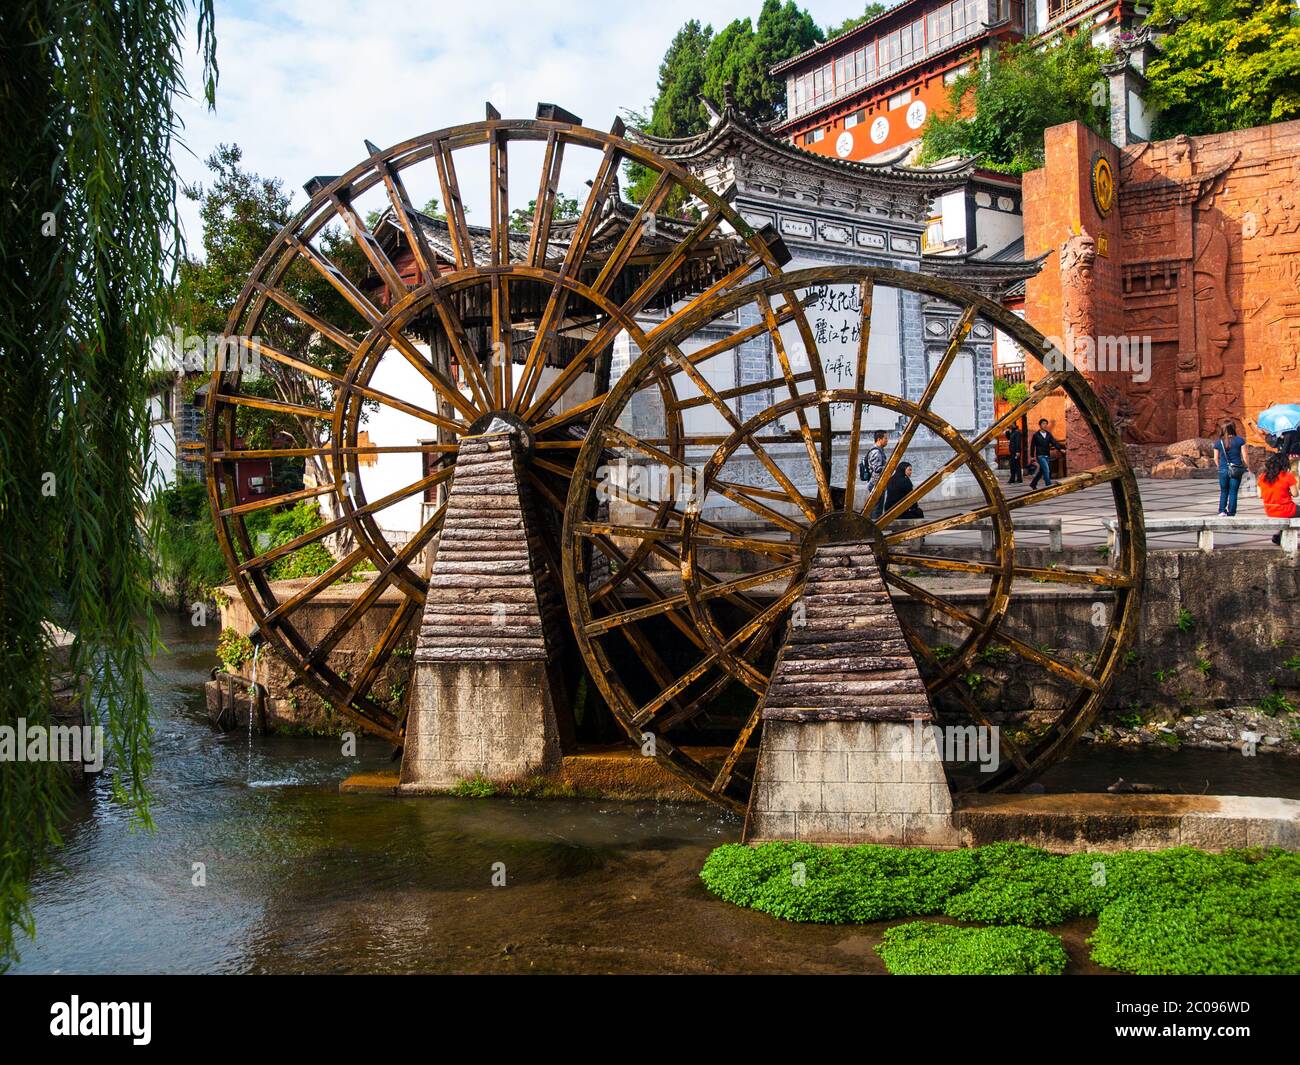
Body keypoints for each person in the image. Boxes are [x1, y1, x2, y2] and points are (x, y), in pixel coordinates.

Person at [1257, 451, 1298, 544]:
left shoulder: (1263, 476)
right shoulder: (1287, 476)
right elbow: (1295, 494)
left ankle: (1279, 536)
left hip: (1270, 510)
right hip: (1286, 509)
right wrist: (1287, 492)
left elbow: (1260, 495)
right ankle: (1279, 536)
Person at [1213, 421, 1249, 517]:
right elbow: (1245, 456)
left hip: (1223, 469)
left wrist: (1219, 466)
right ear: (1233, 428)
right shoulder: (1240, 440)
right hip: (1236, 468)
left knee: (1224, 491)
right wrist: (1247, 466)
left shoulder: (1218, 442)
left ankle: (1222, 511)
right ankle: (1231, 512)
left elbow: (1216, 458)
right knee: (1233, 491)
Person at [1028, 418, 1066, 489]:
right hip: (1040, 455)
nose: (1045, 425)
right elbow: (1032, 446)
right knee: (1047, 469)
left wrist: (1060, 449)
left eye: (1046, 424)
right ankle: (1048, 485)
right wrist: (1032, 456)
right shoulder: (1036, 435)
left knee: (1042, 471)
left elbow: (1054, 442)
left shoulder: (1048, 434)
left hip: (1047, 454)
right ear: (1040, 425)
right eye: (1043, 424)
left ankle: (1033, 484)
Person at [858, 429, 888, 518]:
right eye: (885, 438)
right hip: (876, 484)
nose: (887, 441)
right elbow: (877, 469)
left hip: (877, 484)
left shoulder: (878, 450)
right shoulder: (876, 452)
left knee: (875, 508)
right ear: (879, 439)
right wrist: (890, 467)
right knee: (877, 509)